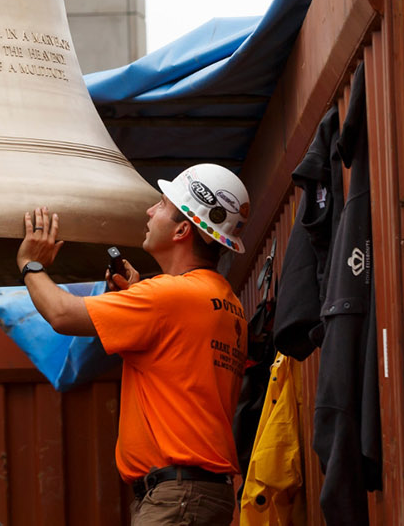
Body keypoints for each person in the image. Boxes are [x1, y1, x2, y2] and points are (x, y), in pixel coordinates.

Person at [16, 163, 251, 526]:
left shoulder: (169, 297)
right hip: (195, 494)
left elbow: (62, 315)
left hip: (177, 497)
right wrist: (137, 298)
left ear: (182, 230)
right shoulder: (224, 301)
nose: (150, 211)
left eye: (161, 204)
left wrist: (31, 264)